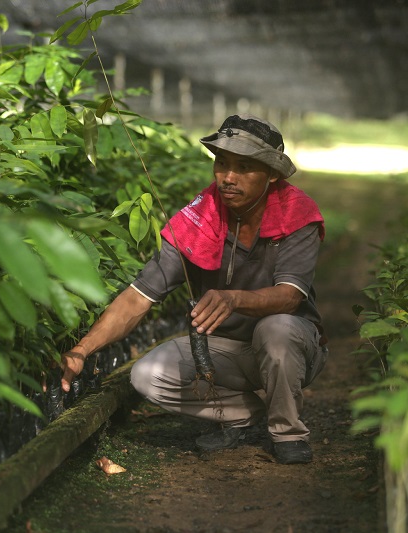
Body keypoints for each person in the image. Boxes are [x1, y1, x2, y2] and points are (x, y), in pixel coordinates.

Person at [60, 113, 327, 465]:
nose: (228, 178)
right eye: (222, 163)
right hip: (226, 351)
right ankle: (244, 414)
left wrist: (233, 299)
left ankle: (287, 431)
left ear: (273, 174)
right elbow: (139, 297)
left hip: (291, 347)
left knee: (275, 328)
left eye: (244, 167)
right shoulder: (200, 218)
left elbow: (290, 296)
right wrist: (82, 349)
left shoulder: (297, 215)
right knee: (146, 375)